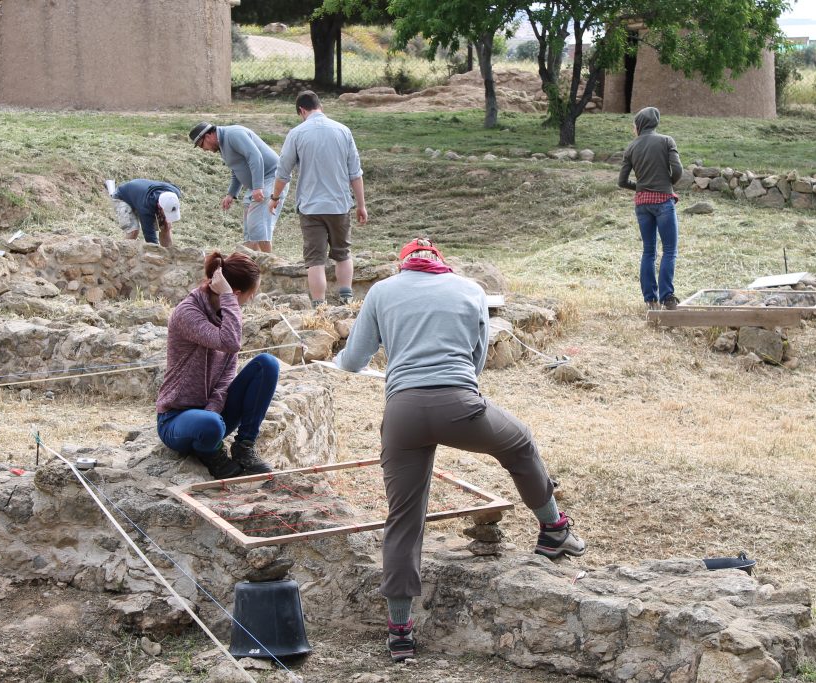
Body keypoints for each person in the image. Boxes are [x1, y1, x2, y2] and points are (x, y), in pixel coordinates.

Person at [334, 238, 586, 663]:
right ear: (441, 265)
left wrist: (338, 359)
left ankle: (400, 633)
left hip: (402, 414)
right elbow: (478, 360)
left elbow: (355, 359)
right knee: (520, 442)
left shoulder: (381, 291)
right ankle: (554, 529)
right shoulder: (470, 289)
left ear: (404, 265)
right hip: (461, 406)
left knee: (404, 518)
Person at [156, 251, 279, 479]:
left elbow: (227, 373)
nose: (250, 300)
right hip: (176, 420)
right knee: (210, 424)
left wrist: (213, 408)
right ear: (236, 294)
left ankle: (244, 447)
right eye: (250, 294)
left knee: (267, 364)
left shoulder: (227, 314)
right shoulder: (188, 313)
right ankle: (212, 454)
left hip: (213, 415)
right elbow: (230, 343)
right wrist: (229, 299)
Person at [268, 90, 367, 307]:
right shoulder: (343, 131)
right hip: (339, 204)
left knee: (315, 260)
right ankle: (346, 299)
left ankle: (319, 305)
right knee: (342, 254)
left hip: (311, 207)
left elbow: (283, 172)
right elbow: (355, 173)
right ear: (319, 106)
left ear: (302, 111)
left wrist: (274, 197)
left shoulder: (296, 133)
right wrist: (361, 205)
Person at [618, 106, 683, 311]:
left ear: (639, 124)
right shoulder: (666, 141)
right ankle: (667, 297)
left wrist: (640, 187)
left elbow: (621, 181)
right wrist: (667, 184)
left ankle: (650, 300)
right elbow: (678, 170)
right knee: (670, 250)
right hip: (663, 201)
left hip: (642, 204)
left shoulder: (631, 147)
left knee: (648, 251)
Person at [189, 122, 287, 253]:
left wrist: (258, 187)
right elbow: (237, 170)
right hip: (256, 184)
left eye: (202, 145)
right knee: (250, 229)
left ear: (208, 136)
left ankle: (270, 265)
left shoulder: (233, 134)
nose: (204, 149)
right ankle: (251, 265)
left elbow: (255, 156)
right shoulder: (222, 146)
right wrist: (231, 194)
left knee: (258, 224)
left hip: (271, 177)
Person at [109, 179, 181, 247]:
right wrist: (155, 254)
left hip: (140, 194)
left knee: (166, 226)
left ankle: (167, 258)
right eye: (165, 212)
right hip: (122, 197)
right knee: (133, 231)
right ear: (159, 206)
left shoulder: (175, 192)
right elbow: (150, 238)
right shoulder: (146, 208)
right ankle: (122, 255)